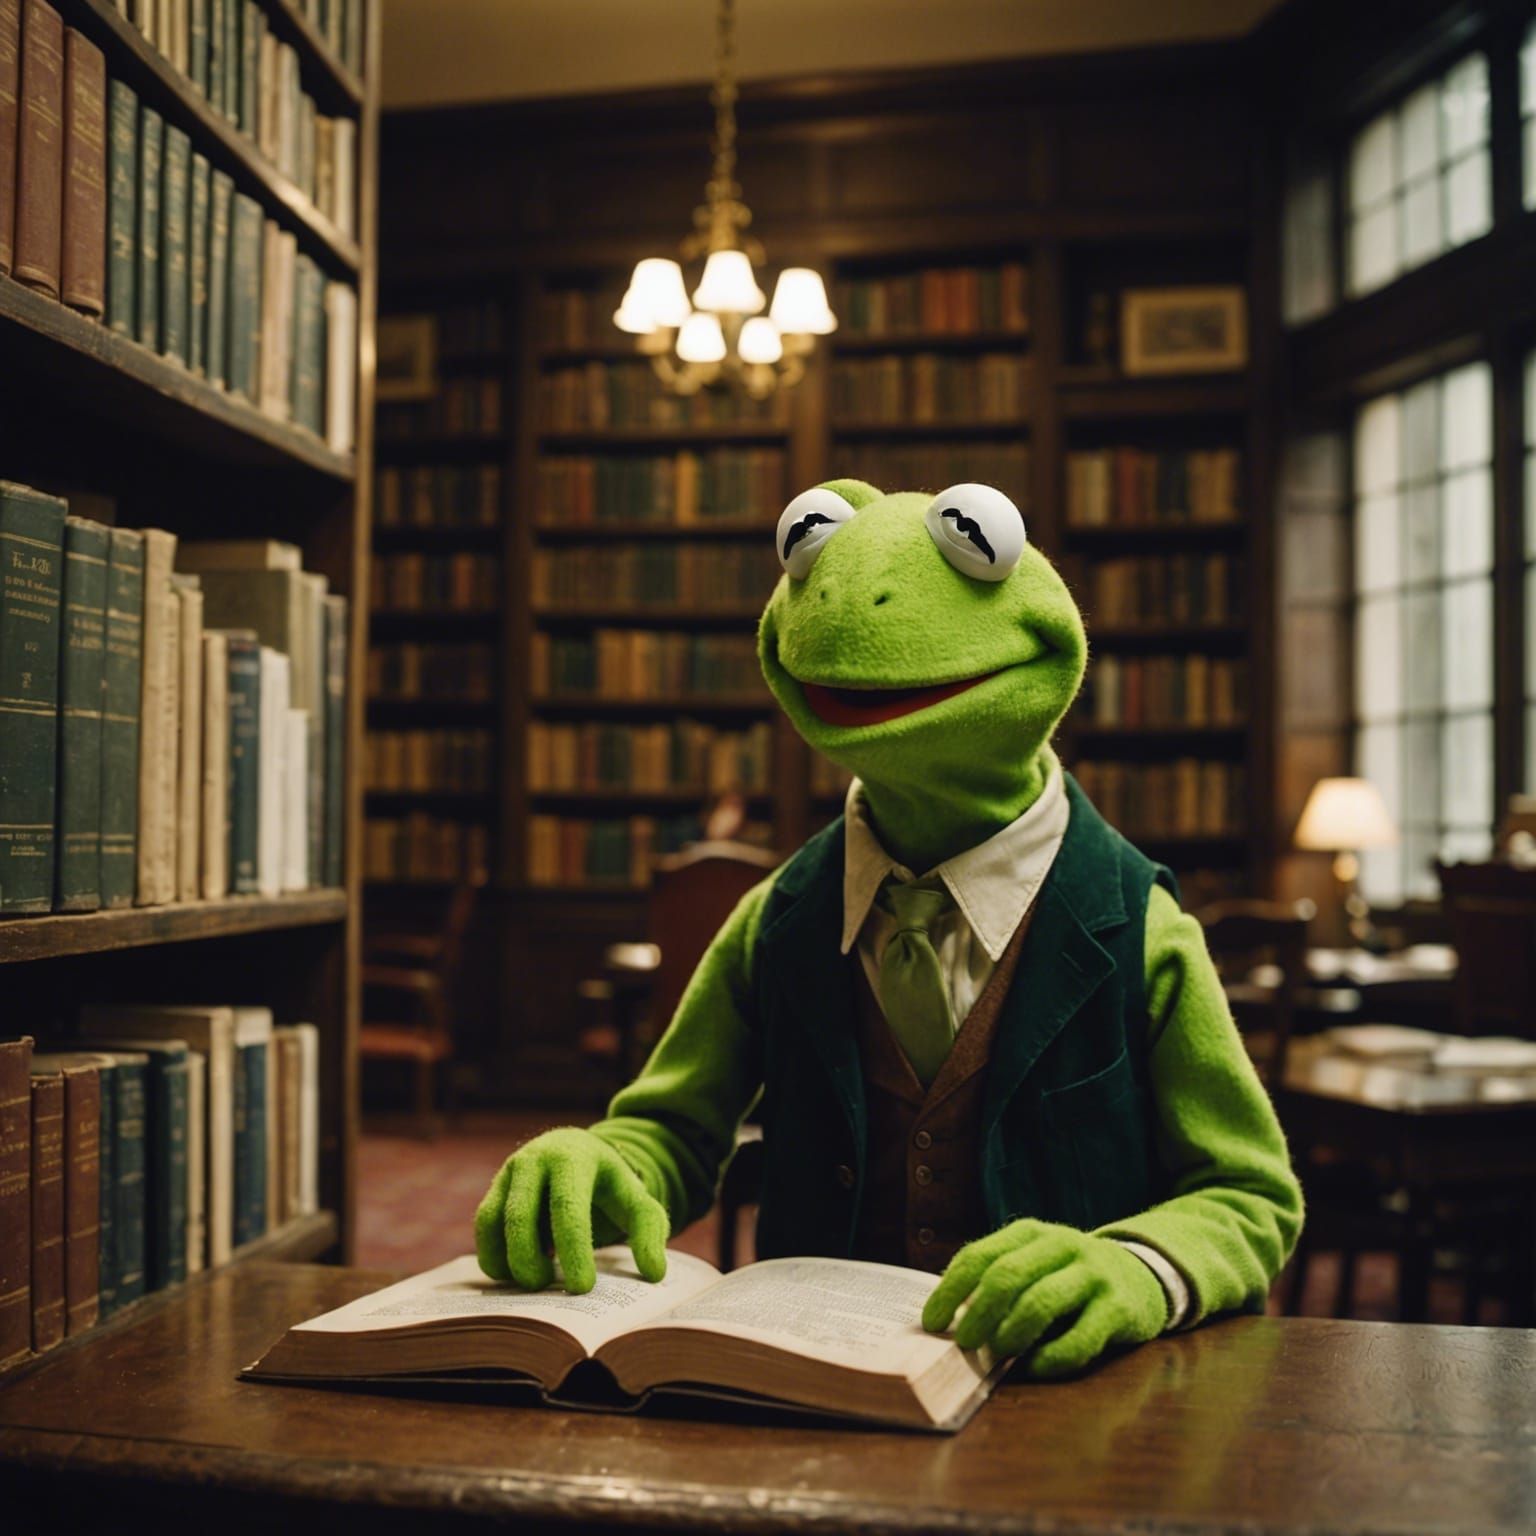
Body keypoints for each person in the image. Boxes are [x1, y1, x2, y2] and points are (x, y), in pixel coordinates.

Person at [477, 479, 1302, 1377]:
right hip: (805, 1395)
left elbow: (1247, 1195)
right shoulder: (779, 919)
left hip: (1071, 1405)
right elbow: (674, 1129)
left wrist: (1137, 1267)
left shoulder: (1140, 923)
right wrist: (598, 1163)